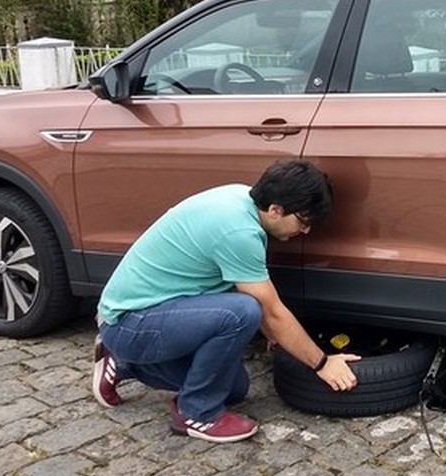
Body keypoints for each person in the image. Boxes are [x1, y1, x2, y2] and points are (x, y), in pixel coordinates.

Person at [91, 160, 360, 443]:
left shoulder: (242, 199)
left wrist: (275, 335)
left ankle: (123, 363)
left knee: (233, 388)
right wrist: (322, 363)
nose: (306, 232)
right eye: (303, 222)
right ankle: (197, 414)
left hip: (151, 313)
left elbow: (247, 288)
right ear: (276, 210)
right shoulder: (238, 233)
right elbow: (270, 311)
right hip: (130, 321)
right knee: (243, 313)